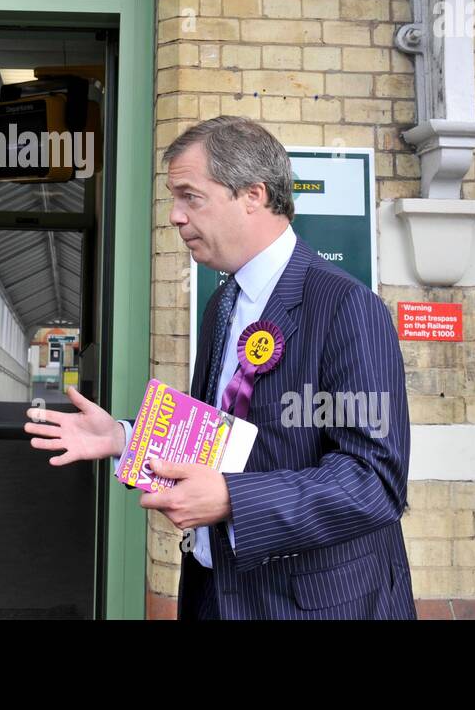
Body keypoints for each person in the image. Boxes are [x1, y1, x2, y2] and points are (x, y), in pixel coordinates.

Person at [24, 116, 415, 619]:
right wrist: (126, 437)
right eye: (174, 198)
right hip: (213, 593)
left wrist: (233, 498)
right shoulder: (223, 303)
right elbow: (215, 437)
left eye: (190, 196)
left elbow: (374, 482)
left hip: (309, 605)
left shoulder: (347, 307)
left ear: (252, 195)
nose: (175, 216)